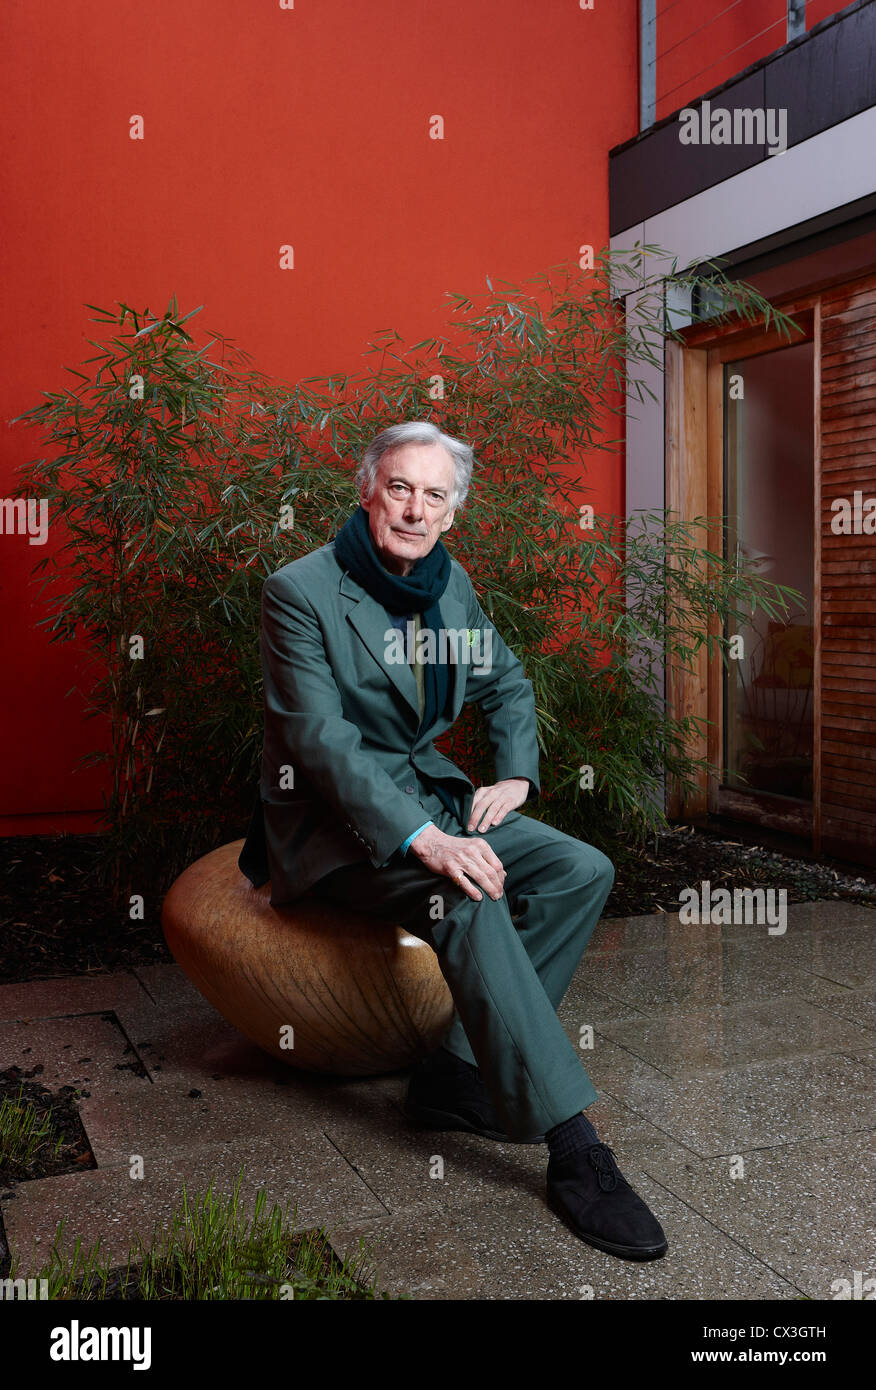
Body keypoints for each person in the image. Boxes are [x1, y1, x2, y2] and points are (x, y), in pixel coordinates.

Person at [239, 420, 668, 1262]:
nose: (415, 508)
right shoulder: (301, 591)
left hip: (435, 795)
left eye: (435, 495)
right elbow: (321, 743)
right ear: (367, 491)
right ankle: (574, 1148)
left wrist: (511, 775)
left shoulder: (448, 585)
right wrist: (422, 837)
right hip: (333, 829)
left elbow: (503, 678)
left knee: (583, 868)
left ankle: (456, 1074)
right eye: (400, 487)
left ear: (453, 511)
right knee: (466, 899)